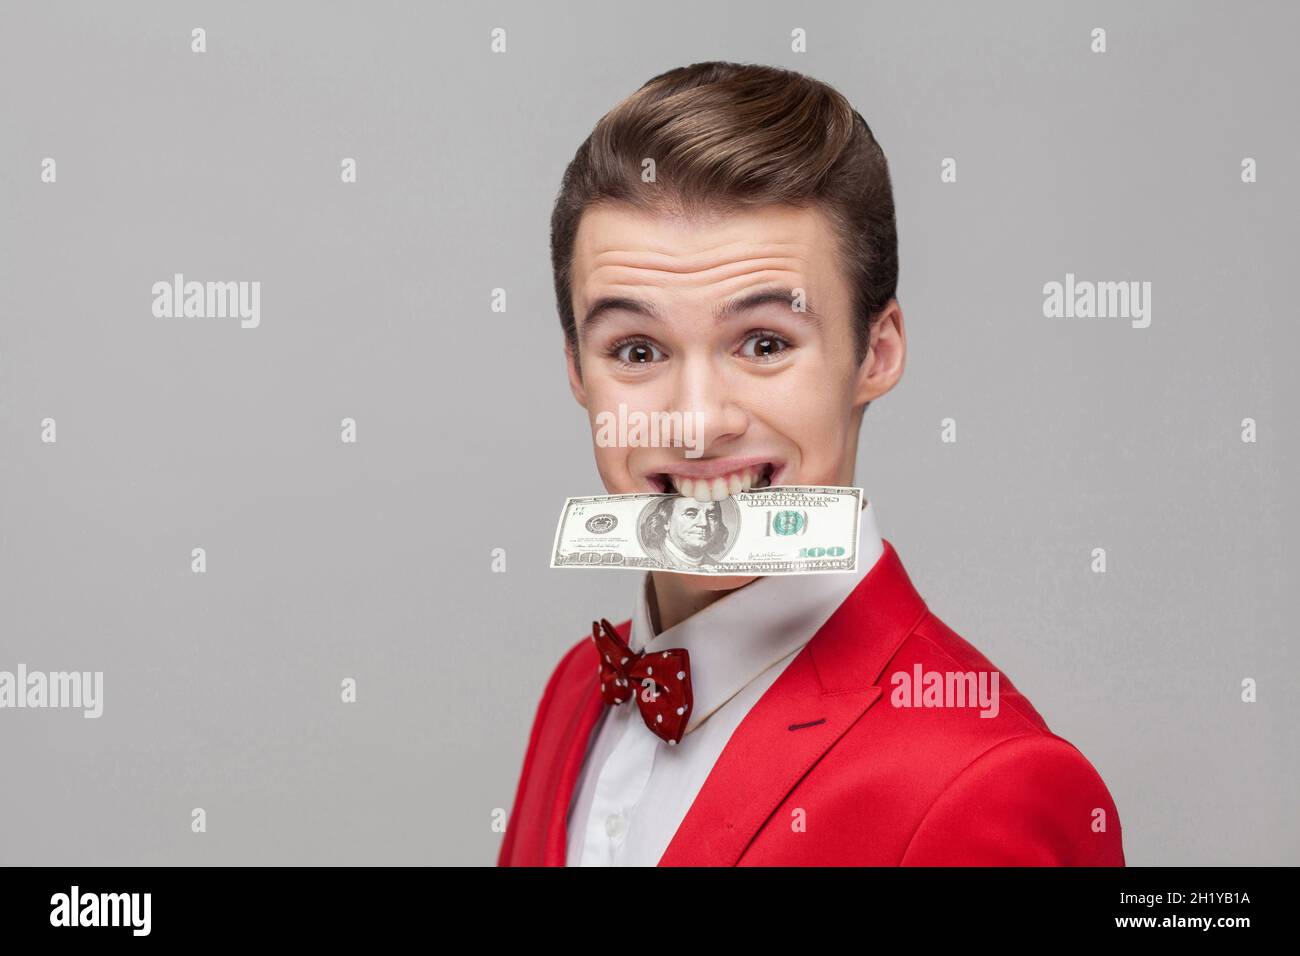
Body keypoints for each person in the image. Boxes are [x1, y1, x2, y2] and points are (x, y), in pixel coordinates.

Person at [498, 61, 1125, 866]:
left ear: (877, 352)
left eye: (763, 344)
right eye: (638, 349)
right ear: (578, 372)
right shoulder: (577, 689)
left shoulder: (985, 782)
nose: (698, 425)